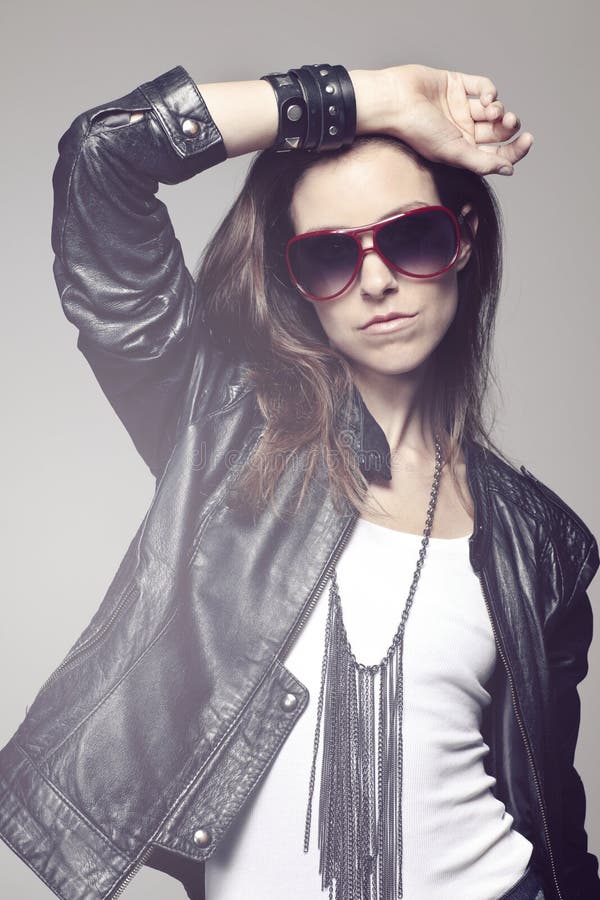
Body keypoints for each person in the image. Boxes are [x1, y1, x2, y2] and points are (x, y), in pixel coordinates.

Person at [0, 59, 597, 900]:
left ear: (461, 237)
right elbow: (103, 157)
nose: (378, 281)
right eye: (329, 257)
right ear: (295, 282)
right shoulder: (219, 429)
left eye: (411, 236)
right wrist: (379, 97)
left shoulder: (544, 545)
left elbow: (554, 821)